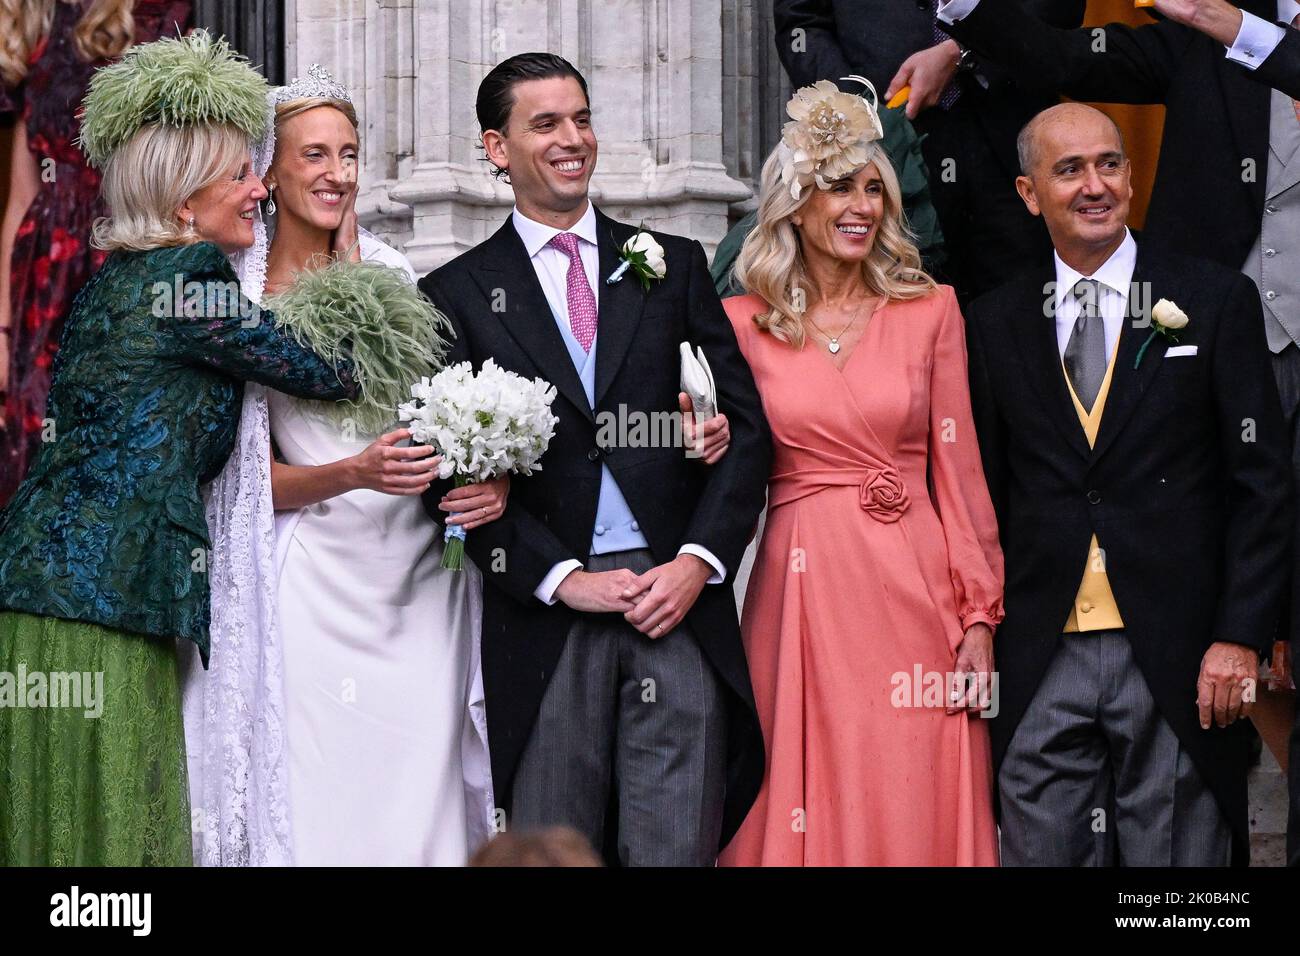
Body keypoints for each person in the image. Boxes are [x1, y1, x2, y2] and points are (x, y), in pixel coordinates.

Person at [937, 0, 1300, 868]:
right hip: (1041, 659)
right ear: (1030, 195)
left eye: (1109, 164)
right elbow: (978, 489)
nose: (1094, 185)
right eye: (1069, 171)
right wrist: (979, 626)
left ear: (1133, 180)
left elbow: (1262, 482)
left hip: (1179, 660)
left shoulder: (1214, 300)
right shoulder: (989, 324)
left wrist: (1239, 636)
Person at [0, 31, 358, 866]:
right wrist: (343, 252)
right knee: (124, 834)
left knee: (51, 839)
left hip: (33, 600)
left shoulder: (114, 281)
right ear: (183, 205)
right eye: (239, 174)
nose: (260, 188)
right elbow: (328, 372)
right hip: (109, 606)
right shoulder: (190, 279)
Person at [418, 52, 771, 866]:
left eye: (581, 118)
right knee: (552, 849)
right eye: (545, 124)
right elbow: (445, 482)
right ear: (496, 149)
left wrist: (697, 564)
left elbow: (745, 432)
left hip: (673, 604)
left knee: (676, 846)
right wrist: (562, 580)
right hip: (545, 622)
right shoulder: (455, 297)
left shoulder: (672, 263)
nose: (573, 138)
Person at [184, 66, 500, 866]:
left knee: (415, 779)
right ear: (272, 170)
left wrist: (483, 463)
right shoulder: (233, 296)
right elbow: (235, 481)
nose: (337, 173)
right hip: (313, 583)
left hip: (421, 579)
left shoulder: (393, 273)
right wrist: (351, 474)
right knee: (324, 785)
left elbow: (439, 417)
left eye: (350, 154)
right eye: (315, 155)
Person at [717, 80, 1003, 866]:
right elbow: (721, 464)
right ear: (795, 202)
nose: (862, 205)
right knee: (806, 781)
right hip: (801, 585)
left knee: (912, 780)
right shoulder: (743, 323)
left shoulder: (932, 309)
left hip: (917, 586)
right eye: (840, 185)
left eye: (874, 187)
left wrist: (978, 619)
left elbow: (961, 474)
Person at [0, 0, 191, 505]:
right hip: (42, 272)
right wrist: (1, 329)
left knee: (120, 424)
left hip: (122, 243)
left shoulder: (152, 14)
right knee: (39, 434)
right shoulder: (33, 22)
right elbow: (22, 197)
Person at [773, 0, 1085, 305]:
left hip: (1009, 138)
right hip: (883, 147)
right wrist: (863, 112)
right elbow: (801, 21)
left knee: (1019, 318)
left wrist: (964, 48)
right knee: (894, 312)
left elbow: (1058, 7)